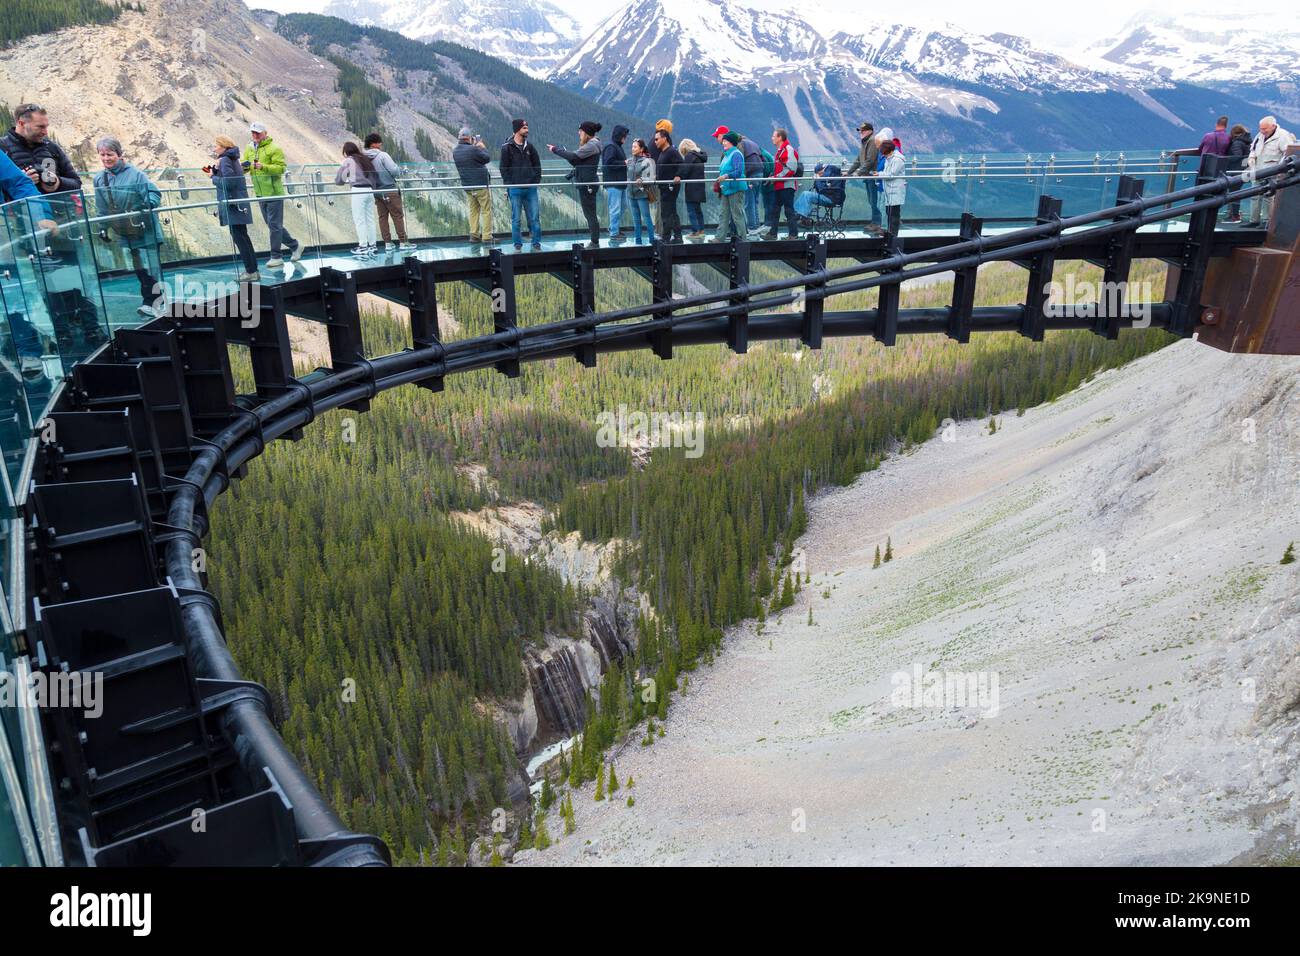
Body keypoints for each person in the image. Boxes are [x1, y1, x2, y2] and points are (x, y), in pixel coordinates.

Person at [93, 137, 165, 317]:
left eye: (110, 154)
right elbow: (102, 206)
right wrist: (103, 226)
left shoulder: (135, 174)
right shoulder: (99, 179)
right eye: (102, 155)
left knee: (150, 267)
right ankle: (155, 301)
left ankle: (151, 302)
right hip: (124, 231)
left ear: (119, 154)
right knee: (139, 267)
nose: (106, 158)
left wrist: (144, 206)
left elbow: (154, 194)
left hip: (144, 228)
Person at [242, 122, 302, 269]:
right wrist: (243, 168)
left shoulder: (274, 148)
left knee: (274, 225)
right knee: (272, 225)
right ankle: (295, 246)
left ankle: (276, 257)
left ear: (265, 133)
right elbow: (246, 168)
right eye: (253, 133)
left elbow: (281, 168)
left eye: (258, 133)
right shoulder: (249, 148)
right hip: (260, 193)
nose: (255, 135)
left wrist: (264, 167)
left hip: (274, 192)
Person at [1, 103, 81, 195]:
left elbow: (76, 184)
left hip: (56, 209)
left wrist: (57, 182)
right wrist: (20, 181)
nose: (45, 132)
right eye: (40, 127)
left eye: (46, 126)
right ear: (21, 124)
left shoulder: (52, 148)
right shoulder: (2, 149)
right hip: (19, 209)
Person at [209, 136, 259, 282]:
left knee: (240, 238)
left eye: (216, 146)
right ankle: (253, 270)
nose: (214, 149)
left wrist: (213, 176)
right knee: (244, 237)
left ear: (223, 146)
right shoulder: (232, 158)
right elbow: (232, 177)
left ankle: (251, 272)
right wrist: (217, 171)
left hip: (232, 206)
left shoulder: (225, 159)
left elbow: (229, 183)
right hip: (238, 204)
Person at [549, 121, 603, 249]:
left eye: (581, 131)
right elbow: (579, 161)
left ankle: (594, 242)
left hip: (587, 185)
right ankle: (594, 241)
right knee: (590, 214)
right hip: (587, 183)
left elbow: (573, 157)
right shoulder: (593, 144)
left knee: (590, 214)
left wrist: (555, 149)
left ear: (586, 133)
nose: (579, 133)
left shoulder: (591, 145)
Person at [363, 132, 412, 253]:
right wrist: (398, 169)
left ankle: (388, 244)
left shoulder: (363, 157)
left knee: (382, 218)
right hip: (390, 189)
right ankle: (403, 242)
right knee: (397, 216)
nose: (381, 144)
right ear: (374, 144)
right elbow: (394, 171)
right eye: (379, 142)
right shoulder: (383, 155)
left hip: (376, 191)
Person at [500, 118, 542, 252]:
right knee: (516, 219)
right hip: (515, 189)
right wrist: (510, 184)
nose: (527, 130)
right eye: (524, 128)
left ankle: (536, 243)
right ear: (517, 130)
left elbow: (537, 164)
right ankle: (517, 245)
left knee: (534, 218)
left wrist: (535, 181)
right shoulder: (506, 148)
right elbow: (503, 168)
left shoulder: (530, 147)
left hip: (530, 189)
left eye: (527, 127)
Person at [1246, 115, 1296, 225]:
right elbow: (1253, 148)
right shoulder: (1260, 135)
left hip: (1272, 171)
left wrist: (1279, 168)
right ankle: (1253, 220)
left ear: (1273, 126)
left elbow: (1287, 153)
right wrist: (1251, 158)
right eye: (1261, 128)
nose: (1262, 131)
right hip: (1258, 170)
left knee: (1268, 197)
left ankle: (1266, 221)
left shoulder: (1283, 136)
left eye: (1264, 128)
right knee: (1254, 195)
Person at [334, 141, 379, 257]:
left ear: (346, 152)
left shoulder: (349, 161)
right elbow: (373, 176)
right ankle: (373, 246)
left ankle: (363, 246)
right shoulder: (364, 159)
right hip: (369, 191)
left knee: (359, 220)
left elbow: (340, 180)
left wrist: (348, 178)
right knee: (370, 219)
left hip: (358, 191)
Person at [453, 127, 494, 248]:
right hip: (480, 185)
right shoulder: (473, 149)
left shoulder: (455, 151)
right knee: (486, 210)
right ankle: (487, 236)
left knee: (473, 210)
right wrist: (482, 146)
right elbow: (486, 158)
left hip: (468, 186)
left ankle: (474, 235)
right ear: (469, 138)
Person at [763, 128, 800, 240]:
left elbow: (791, 169)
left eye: (774, 136)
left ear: (780, 137)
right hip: (779, 185)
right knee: (775, 210)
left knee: (789, 210)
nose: (772, 138)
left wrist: (776, 177)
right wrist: (774, 177)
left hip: (786, 186)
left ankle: (793, 235)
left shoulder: (787, 149)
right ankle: (773, 233)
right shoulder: (781, 150)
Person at [713, 132, 748, 242]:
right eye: (723, 140)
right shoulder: (727, 154)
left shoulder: (736, 154)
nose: (723, 142)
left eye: (726, 140)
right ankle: (720, 237)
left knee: (737, 215)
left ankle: (742, 238)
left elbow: (738, 171)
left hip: (735, 188)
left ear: (732, 142)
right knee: (723, 214)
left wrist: (726, 175)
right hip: (726, 188)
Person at [845, 121, 880, 227]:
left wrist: (859, 173)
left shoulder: (872, 141)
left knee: (874, 201)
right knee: (871, 200)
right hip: (867, 175)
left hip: (872, 176)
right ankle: (875, 222)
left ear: (870, 131)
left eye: (863, 130)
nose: (861, 132)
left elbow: (870, 160)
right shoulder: (865, 142)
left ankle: (877, 223)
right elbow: (858, 160)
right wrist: (849, 172)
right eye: (860, 130)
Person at [653, 129, 684, 244]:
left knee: (667, 212)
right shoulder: (663, 152)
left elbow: (681, 164)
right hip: (664, 186)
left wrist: (678, 176)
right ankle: (676, 235)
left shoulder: (672, 151)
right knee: (670, 211)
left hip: (670, 187)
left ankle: (668, 237)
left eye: (657, 139)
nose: (655, 141)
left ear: (664, 138)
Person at [601, 125, 629, 243]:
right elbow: (608, 163)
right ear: (620, 135)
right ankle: (613, 233)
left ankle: (614, 228)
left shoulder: (616, 146)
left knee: (623, 206)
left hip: (620, 183)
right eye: (624, 136)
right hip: (613, 183)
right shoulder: (611, 147)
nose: (625, 138)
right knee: (615, 208)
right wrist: (624, 162)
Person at [627, 138, 657, 245]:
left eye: (635, 147)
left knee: (646, 217)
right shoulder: (630, 161)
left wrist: (642, 180)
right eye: (632, 146)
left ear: (641, 149)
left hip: (641, 193)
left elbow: (652, 178)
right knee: (636, 220)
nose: (633, 148)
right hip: (631, 194)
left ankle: (652, 241)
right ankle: (638, 242)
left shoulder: (647, 161)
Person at [678, 138, 708, 239]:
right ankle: (701, 230)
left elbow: (685, 171)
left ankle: (695, 231)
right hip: (699, 186)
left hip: (691, 187)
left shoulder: (689, 156)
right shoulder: (699, 156)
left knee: (691, 210)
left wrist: (679, 175)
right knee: (698, 209)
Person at [878, 140, 906, 246]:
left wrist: (879, 174)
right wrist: (880, 173)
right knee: (888, 212)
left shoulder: (898, 159)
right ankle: (890, 234)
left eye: (885, 153)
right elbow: (887, 172)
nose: (884, 155)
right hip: (889, 190)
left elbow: (891, 174)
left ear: (890, 151)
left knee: (894, 214)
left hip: (895, 190)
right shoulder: (888, 158)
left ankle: (894, 236)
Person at [647, 118, 673, 234]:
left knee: (660, 205)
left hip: (656, 176)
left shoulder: (653, 140)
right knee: (662, 205)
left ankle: (659, 230)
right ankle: (661, 231)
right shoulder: (658, 142)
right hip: (661, 178)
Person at [1224, 123, 1252, 224]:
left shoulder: (1237, 143)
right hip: (1244, 170)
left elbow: (1237, 156)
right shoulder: (1247, 142)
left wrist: (1224, 159)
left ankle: (1235, 216)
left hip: (1235, 171)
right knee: (1234, 192)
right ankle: (1232, 214)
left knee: (1234, 193)